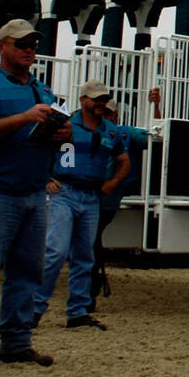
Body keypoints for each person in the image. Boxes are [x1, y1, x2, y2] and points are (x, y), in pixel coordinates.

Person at [0, 19, 71, 370]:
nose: (29, 49)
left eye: (33, 43)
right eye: (21, 43)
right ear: (1, 46)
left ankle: (16, 343)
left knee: (27, 272)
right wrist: (23, 118)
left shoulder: (41, 89)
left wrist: (62, 132)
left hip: (34, 192)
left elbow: (58, 138)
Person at [33, 80, 129, 331]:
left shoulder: (111, 131)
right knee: (55, 251)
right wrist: (46, 179)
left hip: (91, 195)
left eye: (103, 99)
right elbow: (37, 147)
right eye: (95, 98)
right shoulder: (64, 126)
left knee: (85, 256)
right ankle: (34, 307)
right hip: (65, 191)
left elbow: (124, 161)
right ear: (83, 100)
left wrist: (113, 182)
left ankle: (77, 310)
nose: (100, 103)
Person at [88, 88, 160, 313]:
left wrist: (156, 107)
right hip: (87, 194)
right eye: (102, 112)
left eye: (109, 113)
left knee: (89, 239)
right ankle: (91, 286)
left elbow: (157, 137)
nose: (105, 117)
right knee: (88, 241)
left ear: (115, 116)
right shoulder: (84, 131)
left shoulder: (125, 133)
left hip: (108, 196)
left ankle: (91, 288)